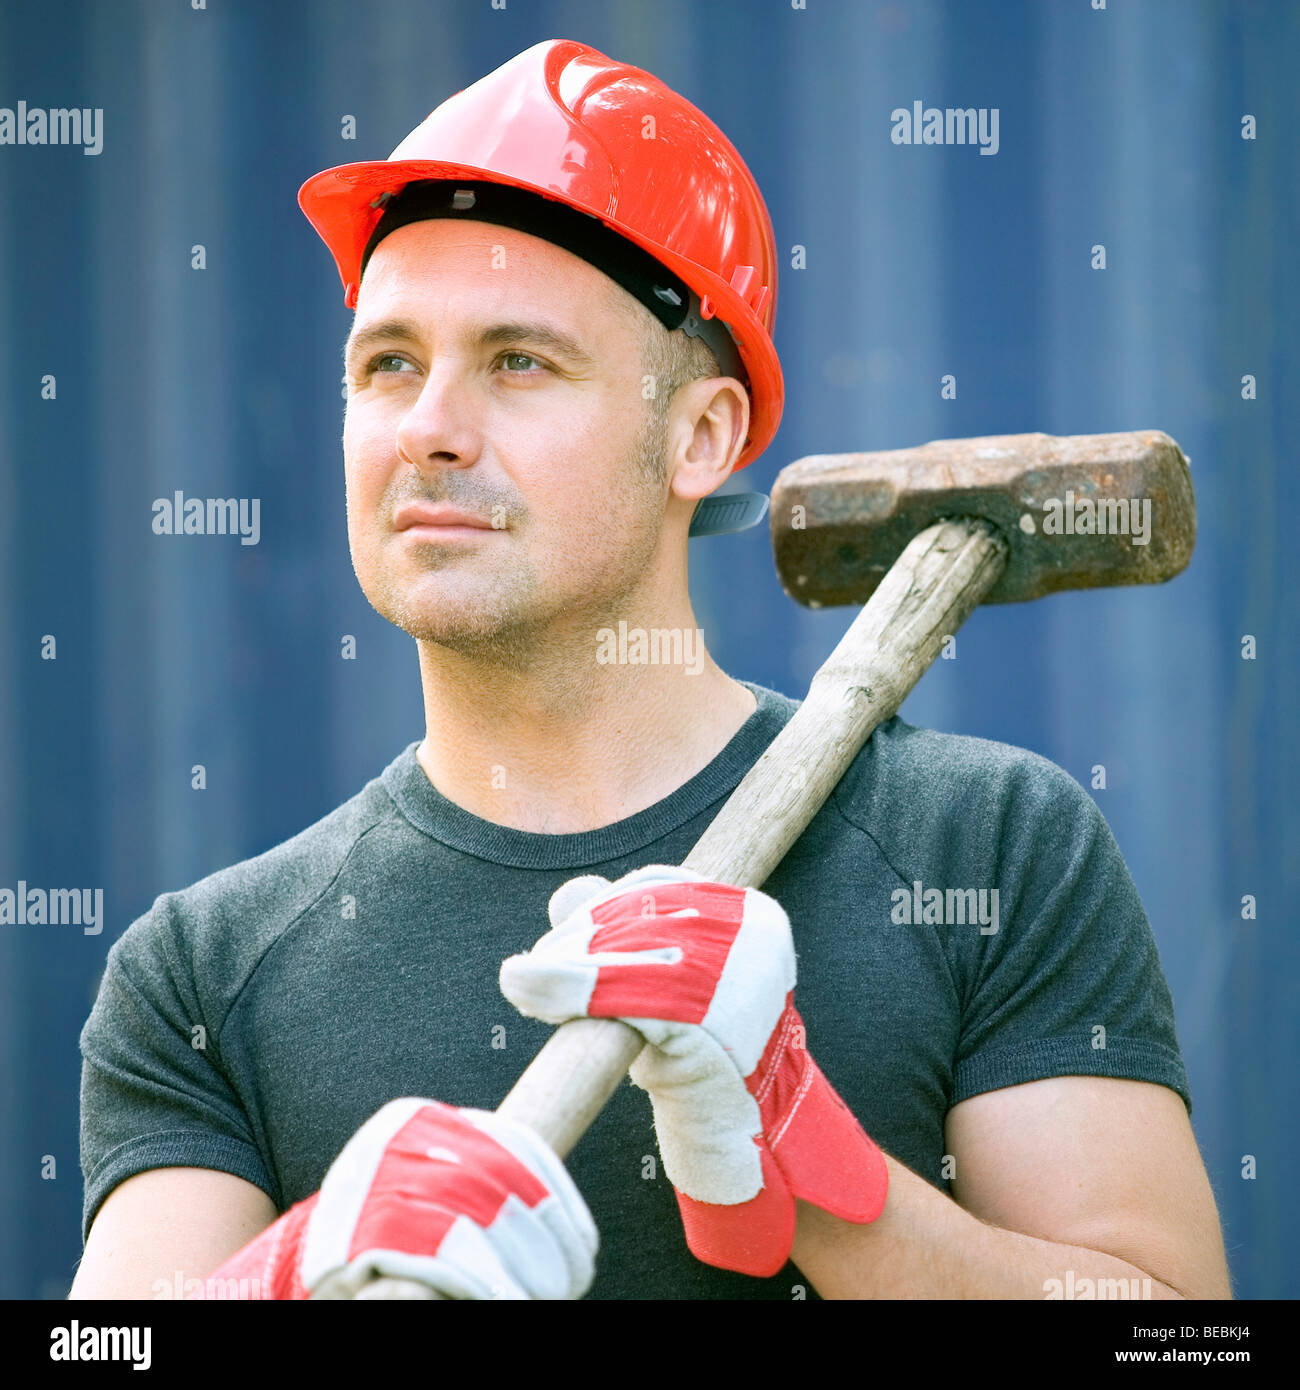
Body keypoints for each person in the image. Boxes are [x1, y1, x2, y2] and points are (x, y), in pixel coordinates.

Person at [71, 39, 1230, 1300]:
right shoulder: (199, 972)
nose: (430, 429)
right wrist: (287, 1280)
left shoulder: (985, 847)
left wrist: (817, 1174)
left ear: (700, 435)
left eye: (519, 360)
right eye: (387, 362)